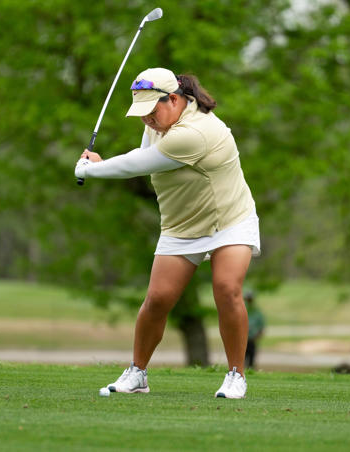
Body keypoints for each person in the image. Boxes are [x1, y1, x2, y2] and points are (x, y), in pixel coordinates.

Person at [75, 67, 259, 399]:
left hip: (228, 221)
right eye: (141, 113)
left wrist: (93, 170)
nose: (146, 119)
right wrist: (99, 163)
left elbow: (139, 166)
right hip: (182, 225)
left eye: (151, 110)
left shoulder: (194, 132)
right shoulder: (160, 123)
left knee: (227, 289)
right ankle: (138, 373)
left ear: (173, 99)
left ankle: (236, 375)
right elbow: (141, 154)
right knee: (157, 300)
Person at [244, 290, 265, 369]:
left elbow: (261, 327)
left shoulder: (257, 312)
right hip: (242, 339)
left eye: (250, 299)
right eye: (247, 299)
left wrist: (257, 337)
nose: (249, 301)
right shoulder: (242, 309)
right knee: (241, 360)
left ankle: (250, 373)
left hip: (252, 339)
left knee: (251, 361)